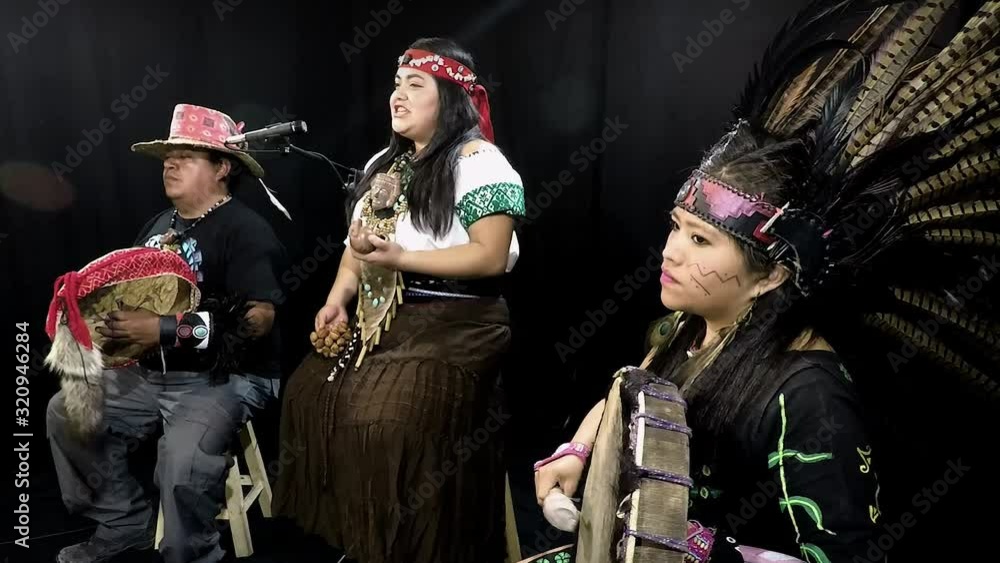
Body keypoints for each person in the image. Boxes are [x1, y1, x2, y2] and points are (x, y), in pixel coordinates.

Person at [532, 1, 1000, 562]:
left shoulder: (808, 398)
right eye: (676, 227)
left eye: (701, 239)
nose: (671, 252)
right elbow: (630, 393)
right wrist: (579, 449)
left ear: (770, 275)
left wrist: (702, 550)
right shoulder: (692, 328)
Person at [273, 37, 525, 563]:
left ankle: (415, 545)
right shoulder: (384, 163)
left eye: (415, 84)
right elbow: (356, 248)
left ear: (450, 98)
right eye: (395, 84)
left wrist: (401, 259)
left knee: (386, 418)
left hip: (459, 323)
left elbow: (489, 256)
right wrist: (337, 299)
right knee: (306, 394)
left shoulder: (481, 162)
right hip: (382, 317)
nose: (397, 95)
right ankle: (363, 537)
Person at [45, 103, 287, 563]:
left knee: (182, 460)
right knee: (66, 411)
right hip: (152, 373)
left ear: (222, 167)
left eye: (186, 157)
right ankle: (123, 523)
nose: (170, 165)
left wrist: (164, 329)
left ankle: (189, 553)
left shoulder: (247, 230)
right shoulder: (158, 227)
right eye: (167, 158)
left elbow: (258, 321)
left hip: (227, 376)